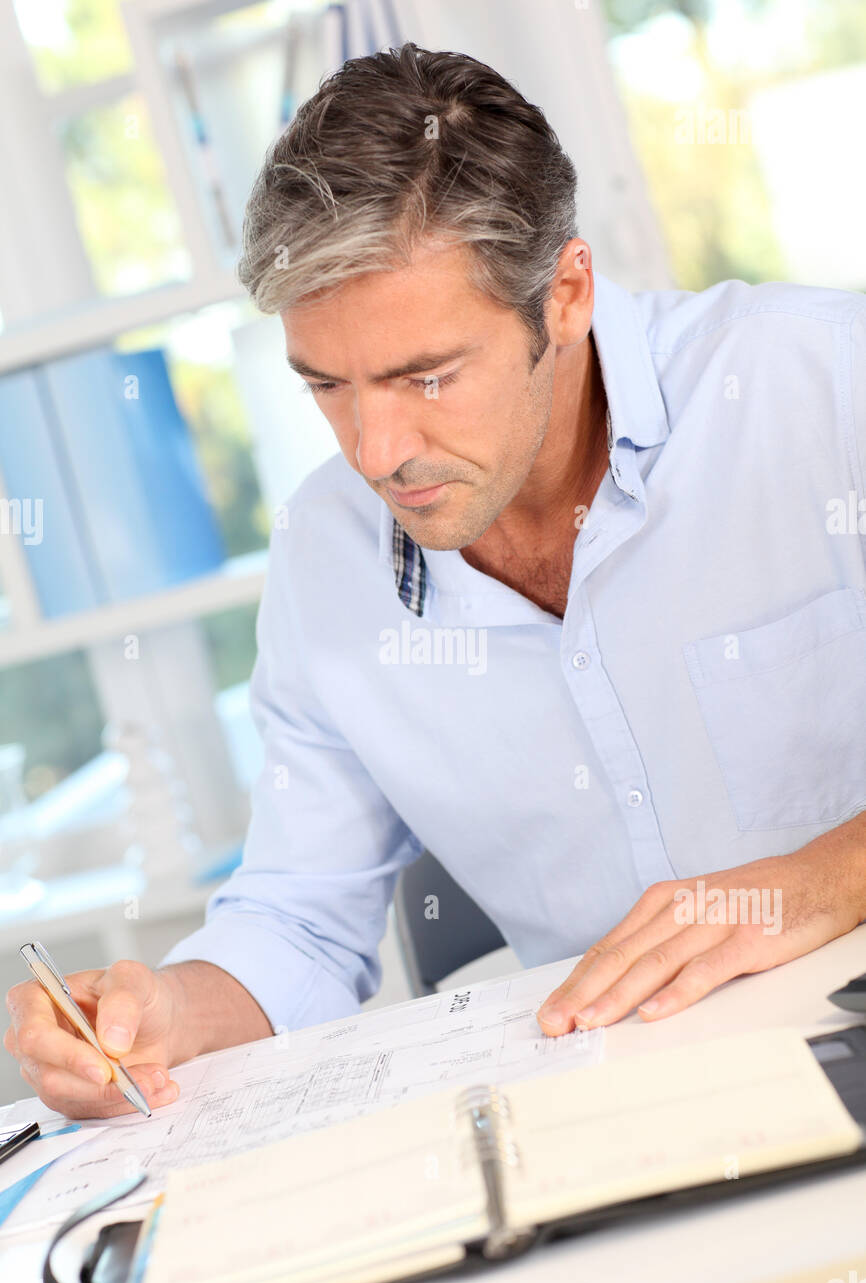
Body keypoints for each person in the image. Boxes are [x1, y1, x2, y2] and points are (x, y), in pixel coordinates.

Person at [6, 43, 866, 1120]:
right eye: (327, 385)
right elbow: (299, 921)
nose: (373, 452)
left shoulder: (822, 391)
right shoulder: (326, 560)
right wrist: (160, 1016)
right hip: (619, 1120)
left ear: (564, 293)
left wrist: (828, 878)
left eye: (425, 378)